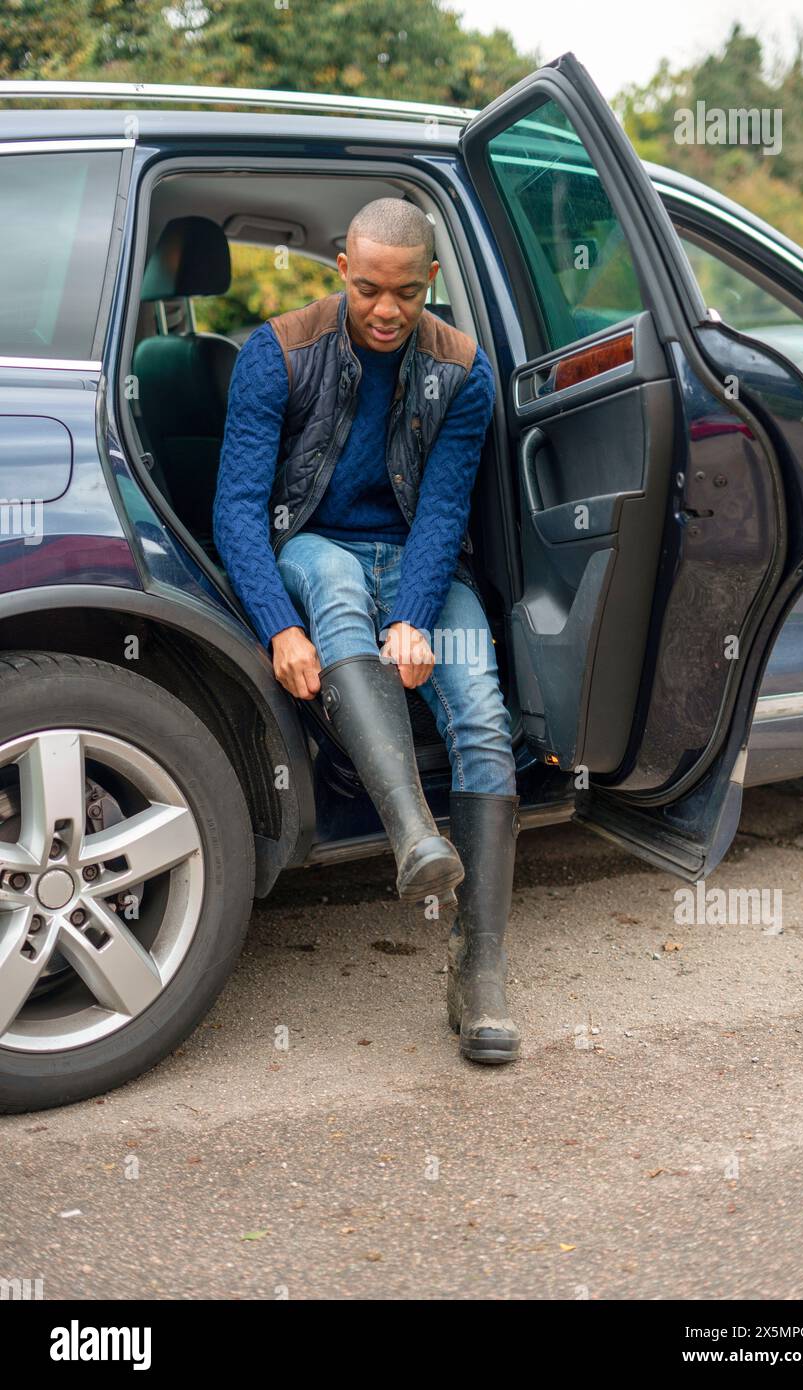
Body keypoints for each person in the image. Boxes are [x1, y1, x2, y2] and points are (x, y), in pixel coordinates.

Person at [214, 197, 520, 1063]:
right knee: (337, 584)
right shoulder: (276, 353)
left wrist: (417, 617)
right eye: (368, 290)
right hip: (311, 544)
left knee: (483, 715)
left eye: (405, 294)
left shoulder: (465, 369)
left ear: (430, 281)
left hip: (423, 566)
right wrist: (279, 626)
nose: (385, 311)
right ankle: (413, 838)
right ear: (342, 269)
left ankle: (481, 971)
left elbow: (444, 511)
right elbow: (238, 508)